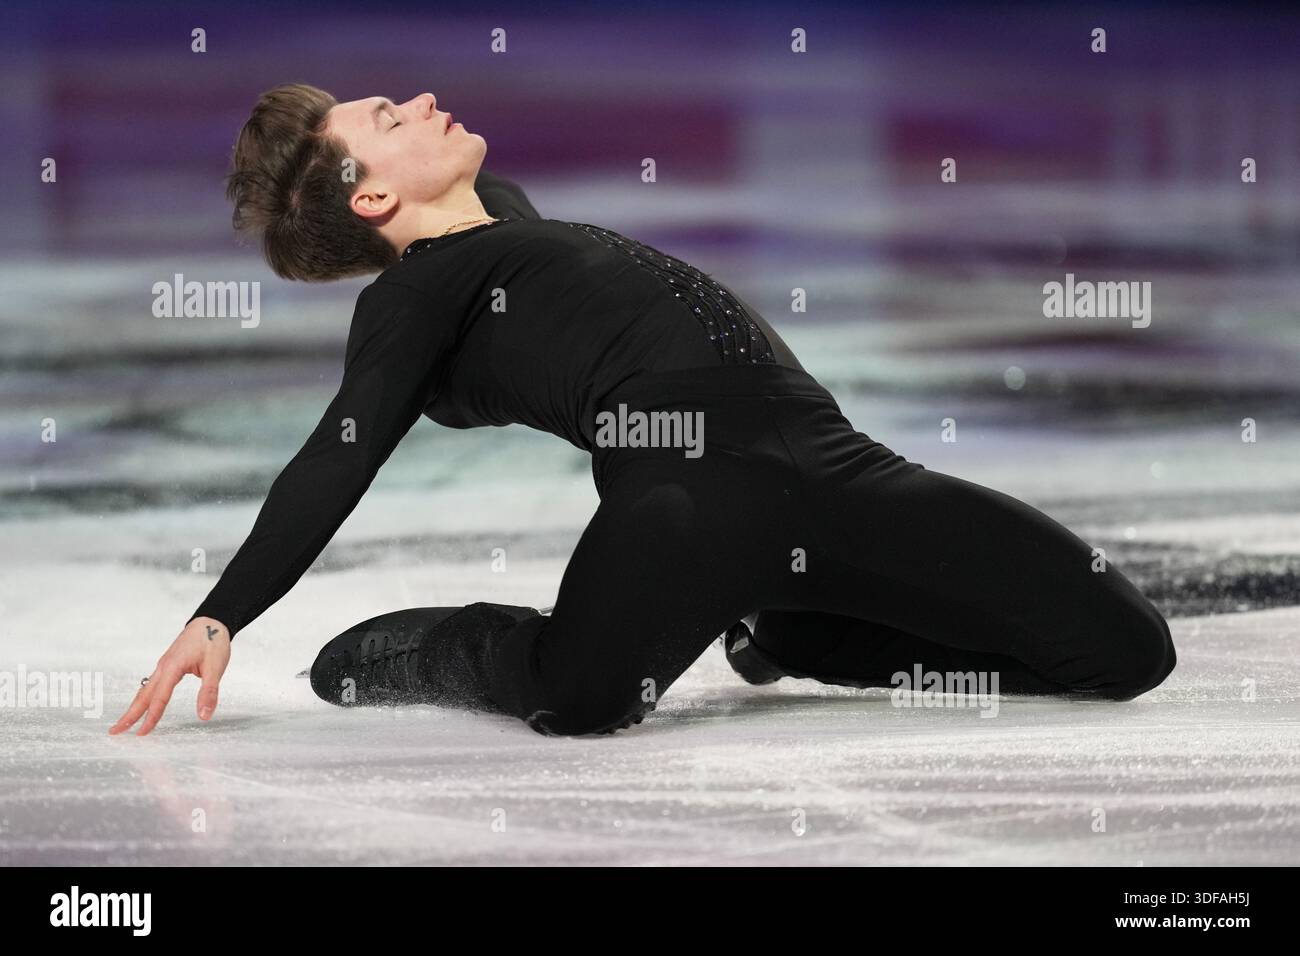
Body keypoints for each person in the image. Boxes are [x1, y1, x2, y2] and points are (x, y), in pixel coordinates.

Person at [109, 84, 1176, 738]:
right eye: (389, 120)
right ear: (374, 199)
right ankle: (439, 649)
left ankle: (799, 633)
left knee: (1122, 654)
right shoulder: (414, 291)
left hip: (838, 461)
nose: (422, 102)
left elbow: (434, 205)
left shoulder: (506, 219)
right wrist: (219, 616)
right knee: (585, 701)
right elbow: (337, 453)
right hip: (681, 503)